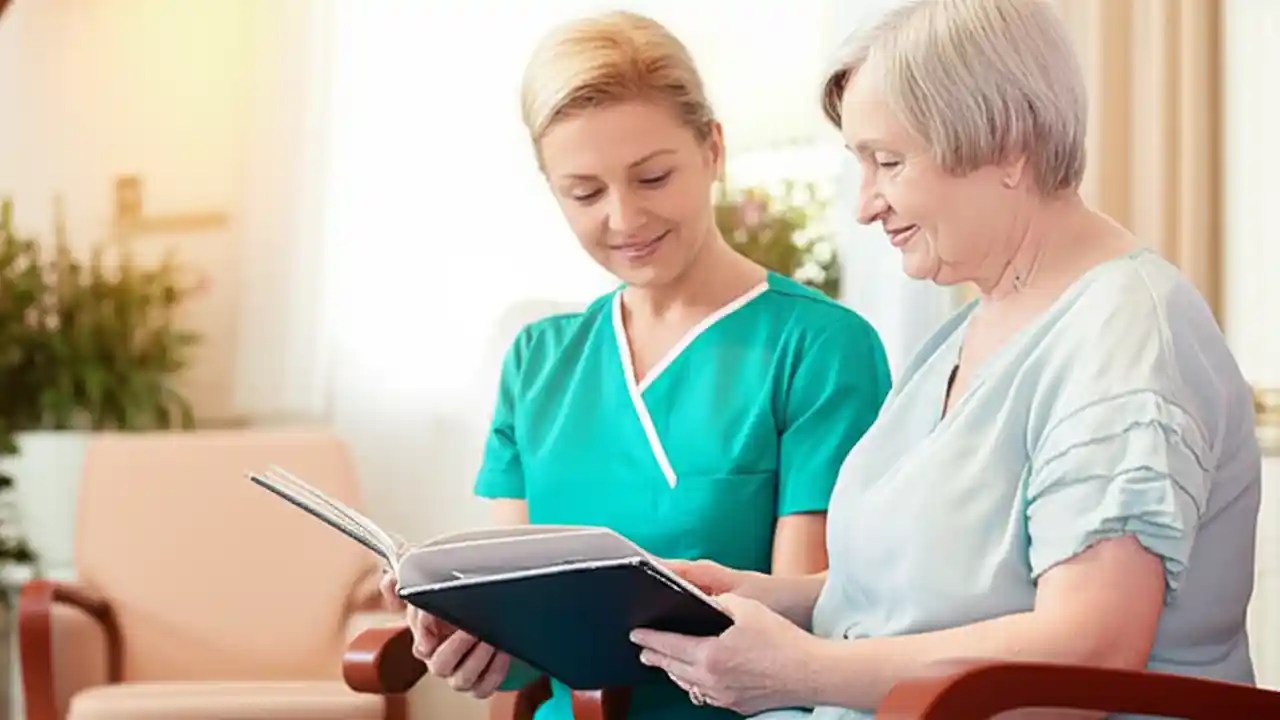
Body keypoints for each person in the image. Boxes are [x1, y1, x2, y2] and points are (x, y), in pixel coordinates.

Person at [626, 0, 1264, 718]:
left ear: (1008, 147)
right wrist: (775, 601)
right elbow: (936, 594)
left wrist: (808, 672)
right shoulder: (975, 326)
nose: (865, 205)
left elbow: (1090, 648)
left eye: (889, 163)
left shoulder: (1126, 338)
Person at [379, 9, 892, 720]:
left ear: (713, 149)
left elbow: (806, 633)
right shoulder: (537, 362)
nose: (623, 219)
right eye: (584, 193)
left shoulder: (819, 349)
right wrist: (475, 642)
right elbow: (525, 636)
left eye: (652, 177)